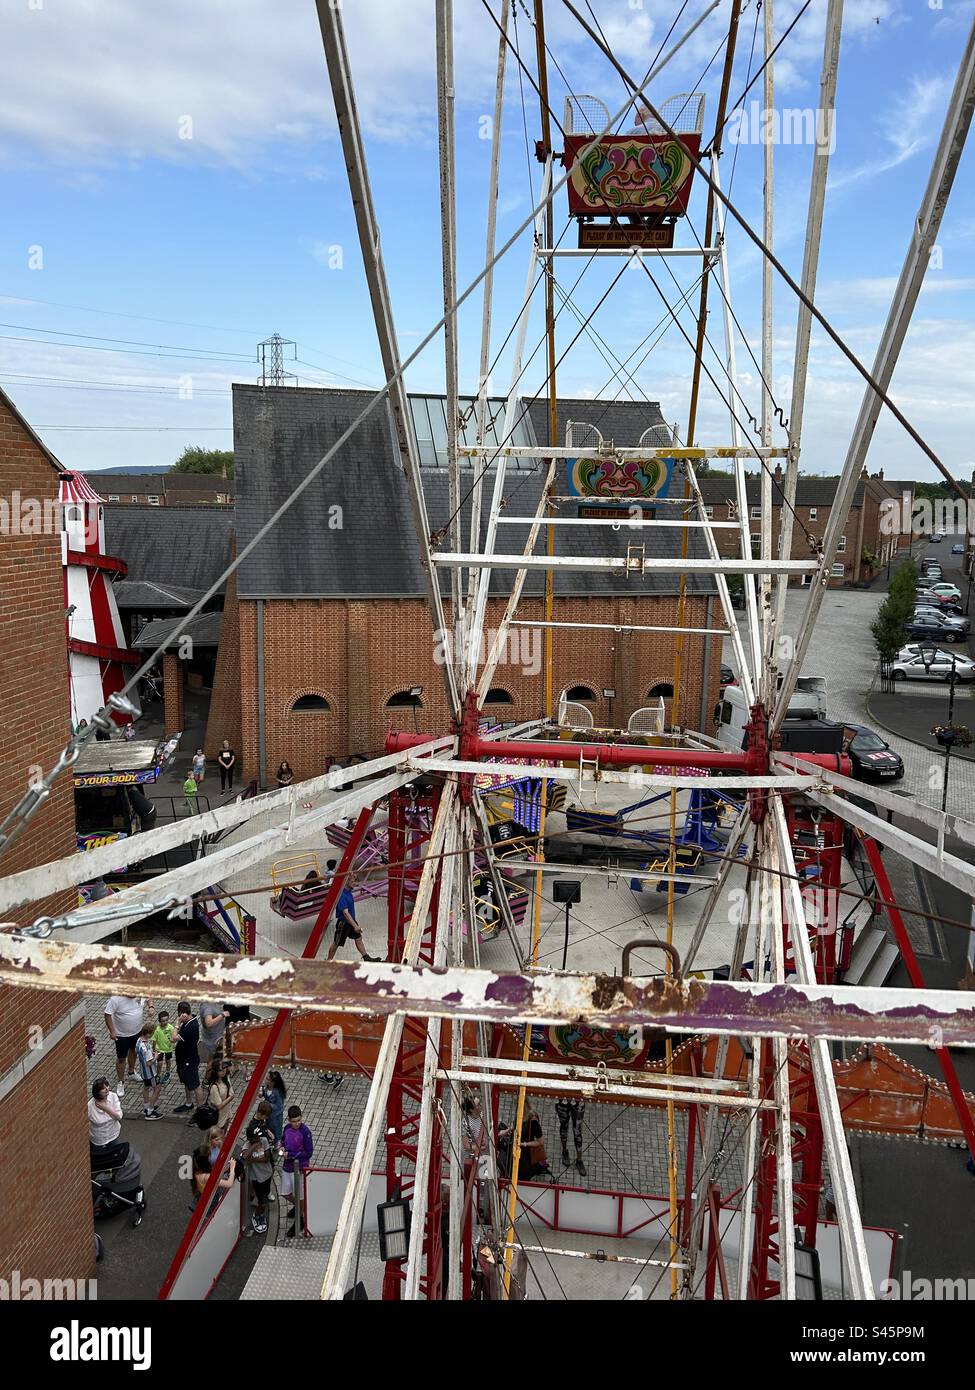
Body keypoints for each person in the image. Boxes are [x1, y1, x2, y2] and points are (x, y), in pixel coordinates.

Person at [104, 994, 152, 1099]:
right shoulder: (116, 999)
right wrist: (112, 1031)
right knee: (121, 1058)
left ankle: (131, 1071)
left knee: (134, 1051)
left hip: (137, 1031)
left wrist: (150, 1007)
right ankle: (120, 1082)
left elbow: (148, 996)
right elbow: (107, 1014)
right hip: (121, 1035)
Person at [326, 876, 381, 963]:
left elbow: (361, 888)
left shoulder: (348, 891)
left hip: (351, 921)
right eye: (352, 881)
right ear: (347, 882)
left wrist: (371, 893)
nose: (354, 883)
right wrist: (355, 926)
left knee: (358, 938)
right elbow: (345, 912)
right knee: (336, 943)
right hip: (344, 923)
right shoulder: (342, 895)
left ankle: (366, 957)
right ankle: (328, 961)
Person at [280, 1105, 314, 1238]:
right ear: (289, 1119)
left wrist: (292, 1155)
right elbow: (283, 1141)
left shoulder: (305, 1132)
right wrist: (282, 1148)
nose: (296, 1123)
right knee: (285, 1193)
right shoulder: (287, 1128)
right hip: (287, 1167)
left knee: (299, 1195)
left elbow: (309, 1153)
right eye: (293, 1121)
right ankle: (299, 1208)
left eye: (298, 1120)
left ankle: (300, 1219)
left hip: (299, 1169)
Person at [241, 1120, 274, 1235]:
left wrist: (253, 1160)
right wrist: (253, 1146)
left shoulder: (264, 1141)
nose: (259, 1139)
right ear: (251, 1139)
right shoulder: (247, 1146)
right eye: (256, 1138)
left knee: (264, 1197)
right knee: (263, 1202)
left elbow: (267, 1158)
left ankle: (260, 1213)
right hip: (257, 1179)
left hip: (267, 1174)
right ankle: (257, 1216)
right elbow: (245, 1157)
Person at [172, 1001, 203, 1114]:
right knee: (186, 1081)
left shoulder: (191, 1027)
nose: (179, 1017)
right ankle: (189, 1103)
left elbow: (173, 1038)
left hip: (189, 1061)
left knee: (195, 1085)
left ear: (184, 1014)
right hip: (183, 1059)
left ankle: (200, 1111)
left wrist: (177, 1024)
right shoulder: (189, 1021)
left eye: (180, 1015)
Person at [190, 1145, 236, 1213]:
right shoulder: (206, 1177)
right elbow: (229, 1183)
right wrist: (232, 1168)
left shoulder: (197, 1168)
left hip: (199, 1199)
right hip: (206, 1204)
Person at [135, 1023, 162, 1120]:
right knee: (157, 1088)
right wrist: (156, 1056)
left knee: (146, 1087)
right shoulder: (146, 1047)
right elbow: (149, 1063)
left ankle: (146, 1106)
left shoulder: (139, 1041)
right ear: (148, 1033)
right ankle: (150, 1111)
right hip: (150, 1073)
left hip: (143, 1071)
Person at [555, 1097, 587, 1177]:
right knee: (564, 1126)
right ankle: (565, 1151)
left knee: (577, 1131)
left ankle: (579, 1160)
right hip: (563, 1098)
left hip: (578, 1100)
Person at [88, 1077, 123, 1149]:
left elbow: (119, 1117)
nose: (107, 1089)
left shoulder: (113, 1096)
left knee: (116, 1154)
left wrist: (106, 1108)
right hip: (98, 1139)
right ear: (97, 1092)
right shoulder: (90, 1106)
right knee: (100, 1158)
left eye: (107, 1085)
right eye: (103, 1088)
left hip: (113, 1134)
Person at [204, 1057, 234, 1127]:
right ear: (216, 1072)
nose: (223, 1070)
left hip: (226, 1112)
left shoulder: (226, 1078)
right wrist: (230, 1098)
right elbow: (219, 1106)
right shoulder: (214, 1087)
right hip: (219, 1118)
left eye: (224, 1068)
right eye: (220, 1070)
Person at [198, 1001, 228, 1068]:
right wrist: (222, 1015)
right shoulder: (208, 1008)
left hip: (214, 1035)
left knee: (212, 1058)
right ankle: (210, 1075)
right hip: (214, 1038)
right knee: (213, 1059)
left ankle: (209, 1075)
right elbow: (209, 1023)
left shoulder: (209, 1004)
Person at [262, 1070, 287, 1143]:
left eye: (267, 1079)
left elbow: (279, 1106)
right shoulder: (266, 1088)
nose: (265, 1080)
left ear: (272, 1082)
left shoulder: (277, 1092)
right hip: (268, 1114)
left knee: (276, 1130)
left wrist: (268, 1104)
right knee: (268, 1127)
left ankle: (277, 1142)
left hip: (276, 1116)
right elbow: (265, 1095)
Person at [152, 1009, 175, 1084]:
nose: (165, 1022)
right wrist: (154, 1049)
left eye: (166, 1020)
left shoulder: (171, 1028)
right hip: (159, 1049)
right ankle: (158, 1074)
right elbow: (154, 1040)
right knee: (159, 1063)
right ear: (159, 1021)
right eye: (163, 1021)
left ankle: (168, 1072)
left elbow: (173, 1037)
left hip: (168, 1049)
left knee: (168, 1061)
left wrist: (173, 1042)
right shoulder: (156, 1029)